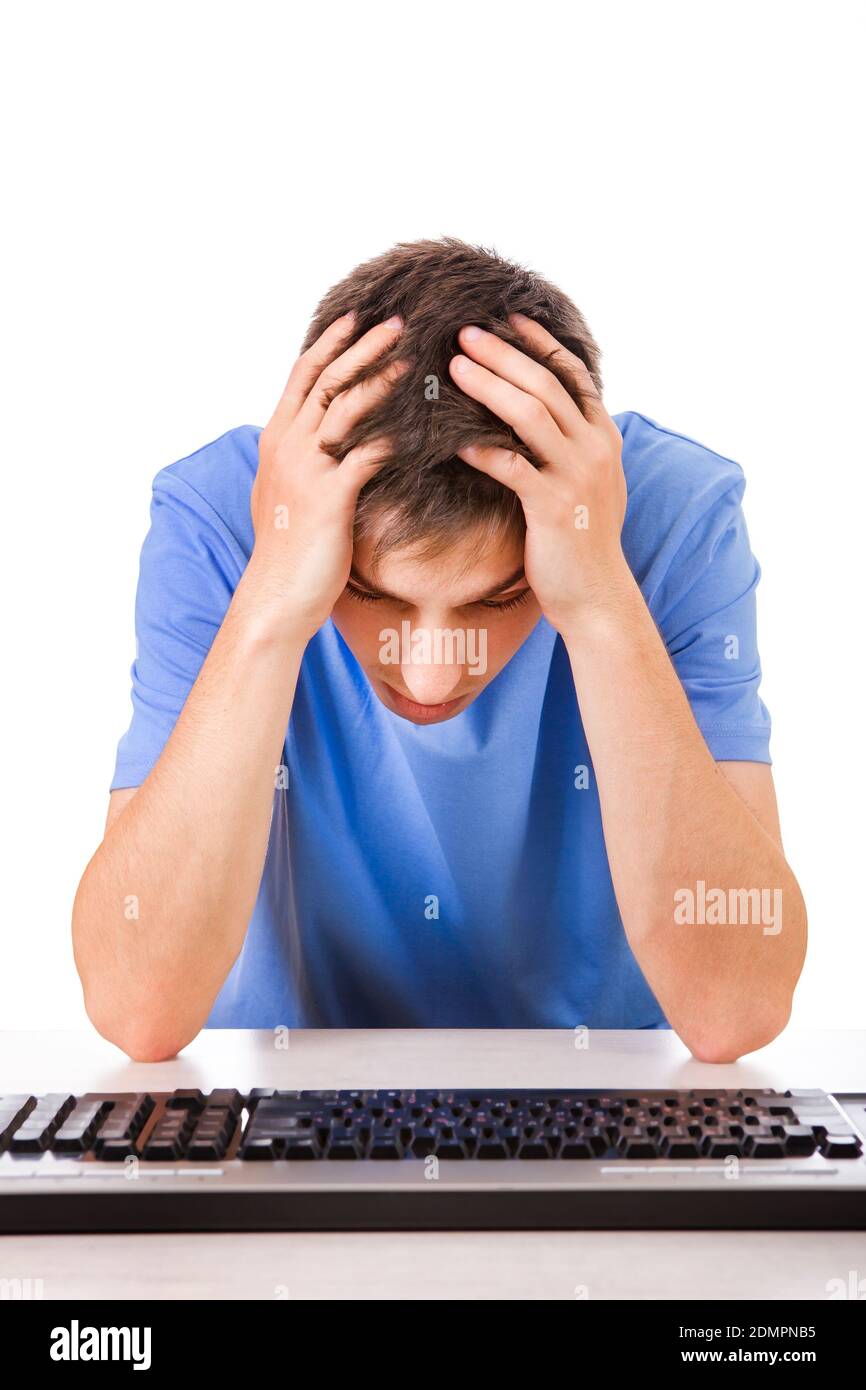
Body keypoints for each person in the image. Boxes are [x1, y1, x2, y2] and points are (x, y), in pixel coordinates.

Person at [72, 238, 806, 1061]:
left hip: (602, 1107)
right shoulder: (222, 515)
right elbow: (138, 1011)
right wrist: (276, 594)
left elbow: (737, 1011)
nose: (429, 673)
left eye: (497, 598)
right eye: (368, 593)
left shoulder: (674, 514)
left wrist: (599, 596)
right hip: (291, 1111)